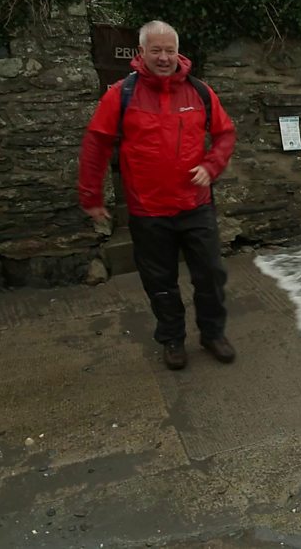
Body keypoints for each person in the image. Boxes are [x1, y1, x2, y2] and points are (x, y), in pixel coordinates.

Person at [78, 20, 237, 371]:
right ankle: (172, 338)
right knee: (160, 282)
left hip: (195, 206)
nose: (164, 58)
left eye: (169, 50)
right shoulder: (122, 94)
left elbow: (225, 134)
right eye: (156, 51)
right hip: (148, 211)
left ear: (177, 52)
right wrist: (91, 196)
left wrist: (212, 166)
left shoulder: (200, 92)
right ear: (142, 53)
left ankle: (212, 333)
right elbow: (96, 143)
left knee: (210, 274)